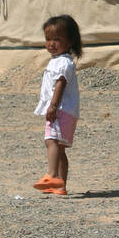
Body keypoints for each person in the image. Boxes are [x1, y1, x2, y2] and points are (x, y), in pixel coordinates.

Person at [32, 15, 82, 196]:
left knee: (50, 141)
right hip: (67, 110)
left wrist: (52, 106)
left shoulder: (62, 62)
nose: (51, 43)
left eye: (57, 39)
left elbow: (60, 84)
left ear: (70, 42)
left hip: (59, 110)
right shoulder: (61, 60)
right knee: (59, 148)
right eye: (48, 39)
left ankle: (52, 175)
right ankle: (60, 186)